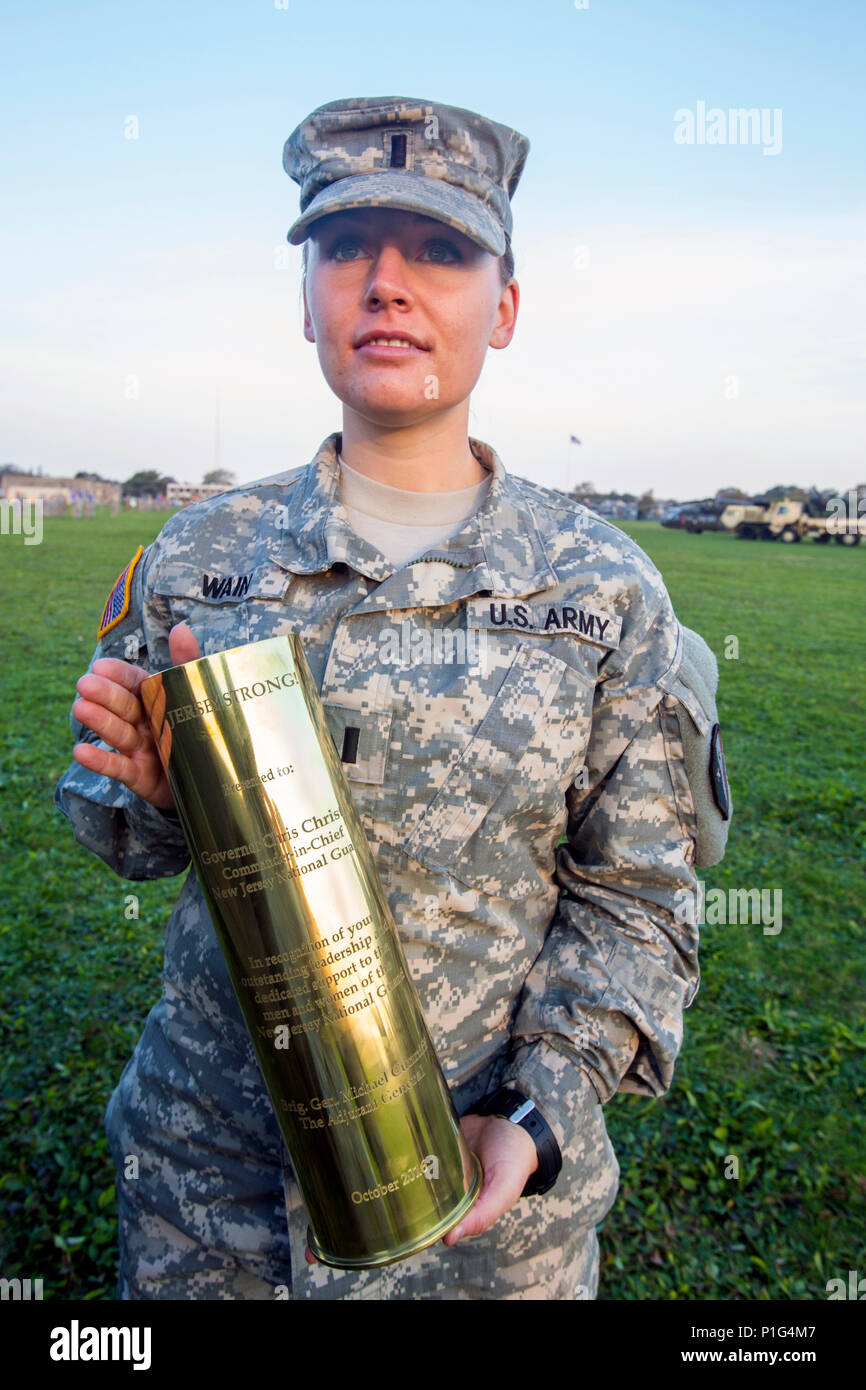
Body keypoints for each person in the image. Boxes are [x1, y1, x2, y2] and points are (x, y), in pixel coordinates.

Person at [54, 95, 732, 1301]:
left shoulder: (604, 589)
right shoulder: (199, 557)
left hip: (478, 1227)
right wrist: (156, 793)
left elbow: (641, 899)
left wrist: (535, 1109)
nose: (386, 284)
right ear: (304, 298)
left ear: (504, 307)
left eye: (439, 250)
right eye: (344, 248)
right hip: (216, 1199)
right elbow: (126, 838)